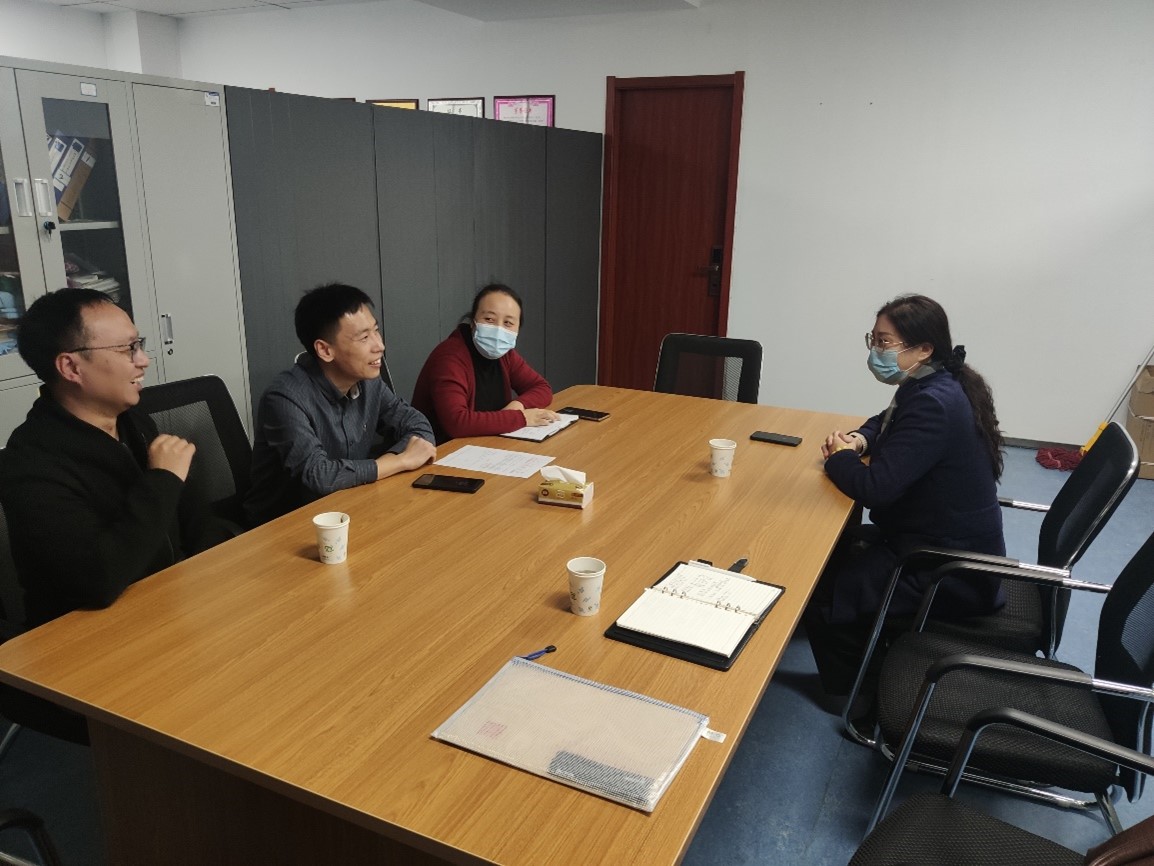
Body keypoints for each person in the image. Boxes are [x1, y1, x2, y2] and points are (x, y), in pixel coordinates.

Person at [803, 294, 1006, 698]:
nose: (875, 351)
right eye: (873, 340)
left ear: (924, 348)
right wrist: (861, 440)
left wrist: (839, 459)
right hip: (937, 539)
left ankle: (858, 696)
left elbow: (875, 489)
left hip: (947, 569)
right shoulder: (933, 381)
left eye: (884, 342)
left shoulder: (933, 403)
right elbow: (887, 421)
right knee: (827, 556)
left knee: (824, 593)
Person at [0, 289, 235, 628]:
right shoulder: (31, 462)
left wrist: (222, 574)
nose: (144, 360)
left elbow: (194, 516)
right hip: (90, 634)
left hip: (170, 602)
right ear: (70, 367)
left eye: (139, 344)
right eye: (128, 349)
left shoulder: (133, 421)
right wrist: (163, 479)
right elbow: (99, 580)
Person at [245, 283, 436, 526]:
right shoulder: (285, 397)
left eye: (376, 331)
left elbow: (418, 425)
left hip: (350, 508)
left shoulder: (369, 382)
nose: (379, 346)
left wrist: (392, 461)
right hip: (285, 527)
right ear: (325, 350)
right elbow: (318, 476)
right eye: (364, 337)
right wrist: (399, 461)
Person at [412, 284, 556, 443]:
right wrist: (520, 418)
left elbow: (542, 387)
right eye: (489, 319)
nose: (498, 329)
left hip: (484, 443)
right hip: (441, 449)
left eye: (508, 323)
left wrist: (519, 404)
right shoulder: (450, 356)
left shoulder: (506, 355)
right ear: (473, 322)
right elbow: (457, 423)